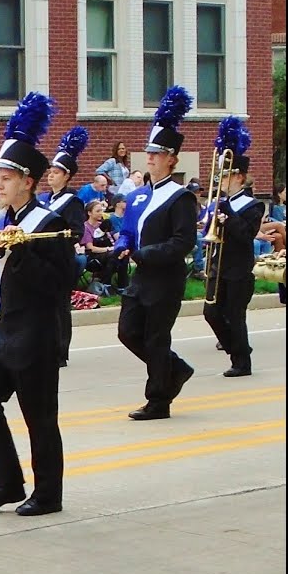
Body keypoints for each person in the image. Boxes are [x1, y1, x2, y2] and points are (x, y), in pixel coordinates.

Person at [0, 91, 74, 517]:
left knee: (39, 417)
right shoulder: (1, 222)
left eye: (6, 176)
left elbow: (60, 282)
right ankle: (7, 484)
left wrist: (22, 249)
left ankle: (48, 493)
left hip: (39, 333)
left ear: (29, 181)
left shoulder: (50, 224)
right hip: (4, 329)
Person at [114, 85, 200, 421]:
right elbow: (126, 231)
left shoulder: (180, 198)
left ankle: (158, 400)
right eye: (148, 152)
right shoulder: (137, 196)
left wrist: (144, 253)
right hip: (141, 278)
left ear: (172, 159)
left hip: (165, 278)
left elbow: (183, 243)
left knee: (155, 337)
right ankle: (174, 369)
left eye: (157, 153)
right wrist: (122, 247)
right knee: (128, 332)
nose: (150, 158)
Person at [202, 116, 263, 377]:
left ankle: (242, 362)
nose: (221, 180)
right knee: (211, 312)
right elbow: (208, 230)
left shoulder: (253, 206)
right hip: (219, 265)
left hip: (238, 268)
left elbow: (246, 234)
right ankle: (236, 349)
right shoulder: (219, 201)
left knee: (235, 316)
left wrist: (229, 213)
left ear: (240, 177)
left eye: (225, 176)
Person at [44, 126, 91, 367]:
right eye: (50, 171)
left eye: (56, 172)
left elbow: (76, 231)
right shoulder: (44, 199)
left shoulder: (72, 201)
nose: (51, 175)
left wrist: (55, 241)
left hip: (61, 259)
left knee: (61, 307)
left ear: (67, 176)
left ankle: (61, 350)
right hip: (44, 261)